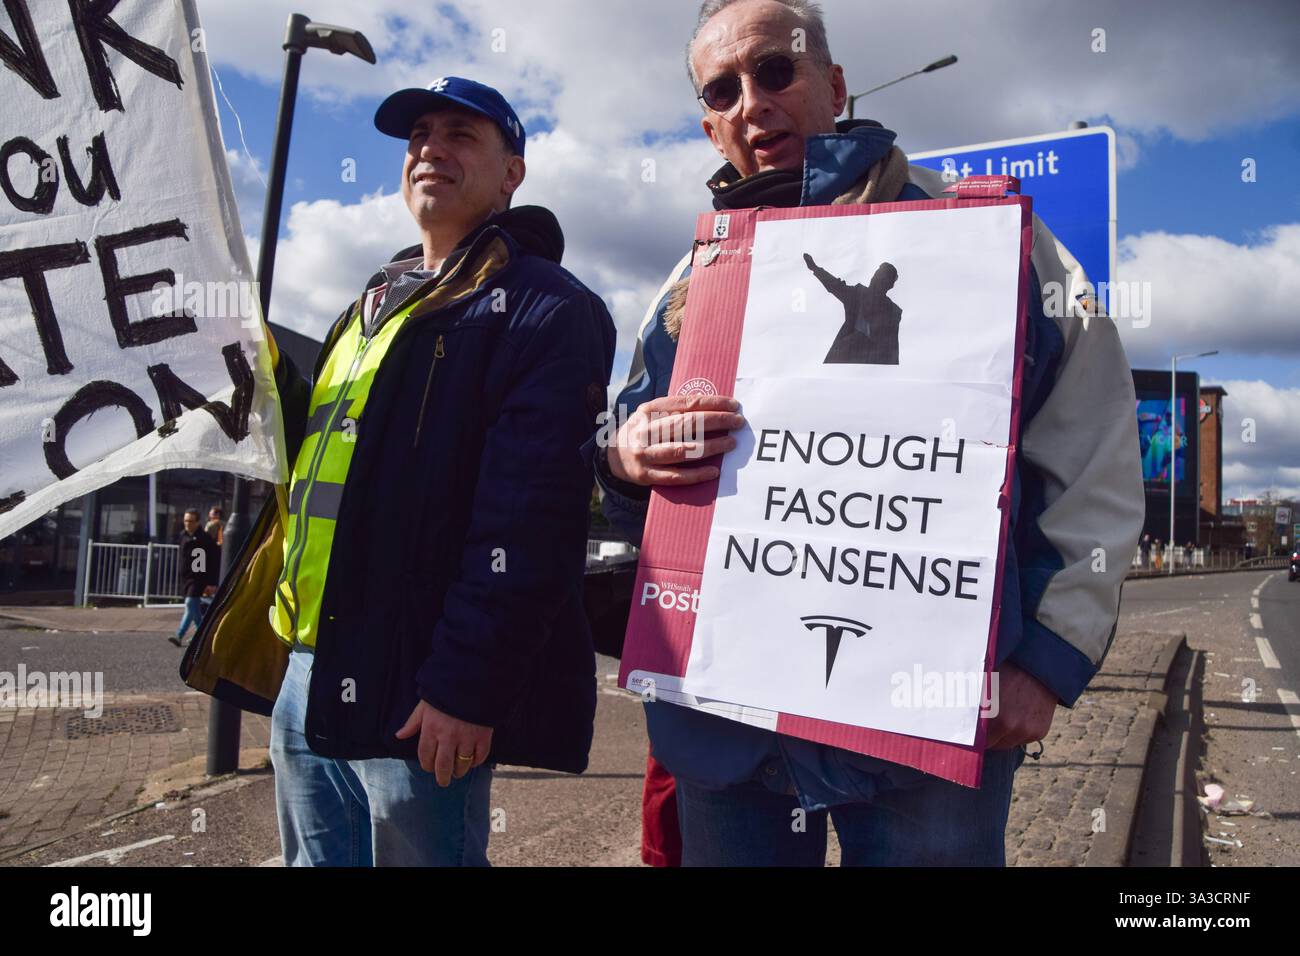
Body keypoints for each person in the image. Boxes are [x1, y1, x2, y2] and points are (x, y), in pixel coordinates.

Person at [597, 0, 1144, 866]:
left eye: (776, 70)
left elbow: (1095, 454)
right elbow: (629, 457)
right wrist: (626, 460)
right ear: (709, 125)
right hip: (723, 720)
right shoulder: (687, 279)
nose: (752, 101)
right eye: (723, 89)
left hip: (919, 722)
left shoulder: (986, 236)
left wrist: (1048, 654)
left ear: (834, 82)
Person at [185, 76, 615, 866]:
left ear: (511, 172)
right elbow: (323, 454)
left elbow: (530, 522)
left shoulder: (544, 308)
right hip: (306, 665)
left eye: (461, 135)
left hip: (418, 688)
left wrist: (466, 689)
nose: (430, 149)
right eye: (419, 134)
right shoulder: (369, 303)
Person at [170, 509, 218, 648]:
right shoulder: (182, 536)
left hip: (199, 578)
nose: (187, 524)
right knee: (192, 608)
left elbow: (213, 561)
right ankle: (201, 635)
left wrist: (211, 582)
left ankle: (181, 634)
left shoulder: (205, 538)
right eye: (185, 521)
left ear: (197, 522)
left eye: (191, 521)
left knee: (190, 603)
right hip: (186, 578)